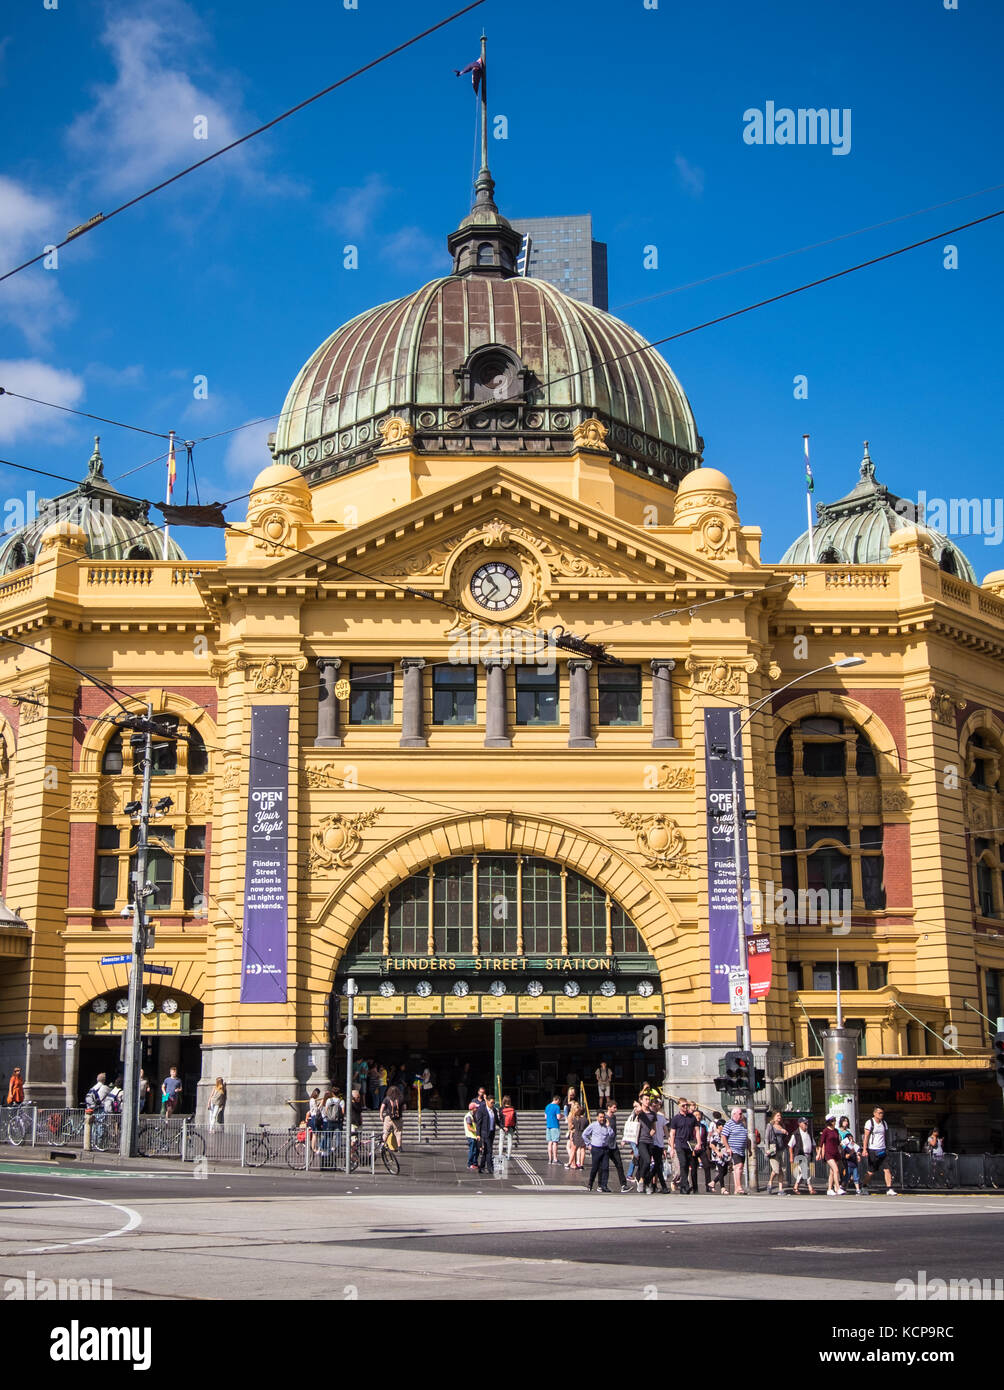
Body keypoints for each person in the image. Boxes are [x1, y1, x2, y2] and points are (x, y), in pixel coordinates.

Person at [861, 1106, 897, 1195]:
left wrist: (888, 1146)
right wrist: (864, 1149)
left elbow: (886, 1136)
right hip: (873, 1150)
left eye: (882, 1113)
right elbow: (866, 1137)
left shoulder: (884, 1123)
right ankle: (864, 1186)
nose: (881, 1115)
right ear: (874, 1113)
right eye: (879, 1113)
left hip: (883, 1150)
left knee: (887, 1169)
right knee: (871, 1172)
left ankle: (889, 1189)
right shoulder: (869, 1123)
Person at [604, 1099, 632, 1192]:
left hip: (613, 1145)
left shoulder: (614, 1117)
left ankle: (623, 1185)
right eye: (614, 1107)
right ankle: (603, 1185)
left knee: (619, 1164)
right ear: (609, 1107)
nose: (616, 1109)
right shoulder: (604, 1118)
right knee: (604, 1166)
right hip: (605, 1145)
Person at [668, 1098, 695, 1193]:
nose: (685, 1107)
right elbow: (672, 1133)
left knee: (687, 1165)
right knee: (683, 1163)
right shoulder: (676, 1118)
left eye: (686, 1105)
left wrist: (698, 1143)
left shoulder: (691, 1117)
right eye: (683, 1105)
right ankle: (684, 1185)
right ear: (679, 1106)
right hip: (679, 1144)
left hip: (689, 1144)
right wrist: (672, 1148)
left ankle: (683, 1184)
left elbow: (696, 1130)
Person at [582, 1110, 614, 1192]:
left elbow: (612, 1135)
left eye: (603, 1117)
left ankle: (604, 1185)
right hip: (596, 1149)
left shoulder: (606, 1126)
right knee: (595, 1168)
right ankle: (590, 1184)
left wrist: (608, 1126)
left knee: (605, 1168)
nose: (602, 1119)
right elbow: (584, 1134)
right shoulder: (593, 1125)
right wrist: (588, 1144)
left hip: (605, 1148)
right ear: (597, 1117)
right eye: (600, 1117)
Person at [722, 1108, 749, 1194]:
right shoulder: (729, 1124)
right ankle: (739, 1186)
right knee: (739, 1166)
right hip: (734, 1149)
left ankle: (737, 1187)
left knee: (738, 1168)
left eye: (741, 1114)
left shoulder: (743, 1124)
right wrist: (727, 1148)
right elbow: (724, 1136)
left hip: (741, 1150)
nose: (741, 1115)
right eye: (740, 1114)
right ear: (734, 1114)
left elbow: (747, 1137)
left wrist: (749, 1148)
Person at [817, 1115, 844, 1195]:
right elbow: (821, 1143)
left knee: (832, 1172)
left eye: (834, 1120)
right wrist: (819, 1153)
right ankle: (838, 1188)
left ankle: (829, 1189)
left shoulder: (836, 1130)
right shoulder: (825, 1131)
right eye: (832, 1120)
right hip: (829, 1153)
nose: (834, 1122)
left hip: (836, 1152)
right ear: (829, 1122)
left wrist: (841, 1148)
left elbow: (838, 1143)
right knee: (836, 1170)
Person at [764, 1110, 790, 1195]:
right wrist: (767, 1149)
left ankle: (780, 1189)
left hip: (781, 1149)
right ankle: (770, 1182)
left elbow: (785, 1138)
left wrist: (785, 1133)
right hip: (773, 1149)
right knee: (776, 1169)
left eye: (780, 1116)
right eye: (778, 1115)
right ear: (774, 1117)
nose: (779, 1117)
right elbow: (767, 1138)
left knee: (782, 1169)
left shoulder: (782, 1126)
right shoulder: (770, 1126)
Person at [789, 1118, 816, 1194]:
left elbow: (813, 1144)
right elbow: (790, 1145)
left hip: (808, 1155)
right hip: (800, 1155)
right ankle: (810, 1187)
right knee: (805, 1171)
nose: (806, 1125)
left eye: (807, 1123)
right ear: (800, 1124)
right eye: (804, 1123)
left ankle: (796, 1187)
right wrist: (791, 1156)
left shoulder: (809, 1133)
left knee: (803, 1173)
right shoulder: (796, 1134)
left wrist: (817, 1152)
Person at [838, 1117, 863, 1194]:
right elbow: (839, 1142)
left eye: (847, 1121)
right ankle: (839, 1186)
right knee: (841, 1170)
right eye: (844, 1121)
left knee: (847, 1171)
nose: (846, 1122)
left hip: (850, 1153)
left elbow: (853, 1143)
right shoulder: (838, 1132)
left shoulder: (848, 1132)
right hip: (842, 1152)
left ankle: (843, 1187)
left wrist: (857, 1152)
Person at [691, 1108, 712, 1193]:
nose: (697, 1117)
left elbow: (705, 1136)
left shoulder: (703, 1126)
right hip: (693, 1148)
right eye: (695, 1115)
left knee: (707, 1166)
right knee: (694, 1168)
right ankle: (695, 1187)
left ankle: (708, 1186)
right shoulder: (690, 1126)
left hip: (702, 1147)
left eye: (698, 1115)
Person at [476, 1095, 498, 1173]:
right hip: (485, 1133)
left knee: (486, 1151)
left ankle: (481, 1167)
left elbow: (497, 1121)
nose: (493, 1104)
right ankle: (490, 1168)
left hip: (492, 1133)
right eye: (491, 1102)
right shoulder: (482, 1110)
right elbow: (478, 1123)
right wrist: (478, 1134)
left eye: (494, 1103)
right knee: (489, 1151)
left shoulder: (494, 1110)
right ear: (487, 1101)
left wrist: (503, 1127)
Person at [709, 1118, 730, 1193]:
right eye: (723, 1125)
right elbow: (712, 1145)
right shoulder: (716, 1134)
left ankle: (713, 1182)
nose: (724, 1127)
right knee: (721, 1171)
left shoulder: (722, 1134)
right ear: (718, 1126)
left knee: (724, 1171)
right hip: (718, 1155)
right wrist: (717, 1152)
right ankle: (722, 1188)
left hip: (724, 1155)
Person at [380, 1084, 404, 1152]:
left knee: (386, 1132)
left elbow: (382, 1107)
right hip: (398, 1118)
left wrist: (381, 1115)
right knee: (398, 1133)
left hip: (388, 1118)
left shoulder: (387, 1098)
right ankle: (399, 1147)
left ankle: (382, 1146)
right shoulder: (401, 1098)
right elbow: (404, 1107)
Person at [565, 1101, 586, 1170]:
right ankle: (579, 1164)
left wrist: (571, 1132)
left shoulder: (572, 1117)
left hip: (575, 1133)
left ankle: (572, 1163)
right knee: (581, 1149)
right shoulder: (583, 1118)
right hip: (582, 1134)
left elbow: (570, 1127)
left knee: (573, 1149)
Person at [464, 1102, 480, 1170]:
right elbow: (469, 1128)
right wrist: (477, 1132)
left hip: (474, 1136)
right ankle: (470, 1164)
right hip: (471, 1136)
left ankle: (474, 1163)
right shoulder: (468, 1116)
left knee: (475, 1150)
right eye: (476, 1107)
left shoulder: (473, 1115)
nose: (477, 1108)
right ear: (473, 1109)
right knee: (472, 1150)